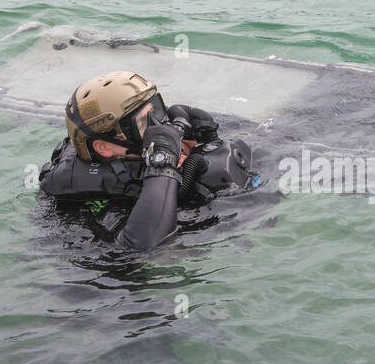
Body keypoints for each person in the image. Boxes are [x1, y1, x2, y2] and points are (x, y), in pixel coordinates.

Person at [37, 71, 260, 251]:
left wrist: (206, 133)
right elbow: (143, 245)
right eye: (144, 122)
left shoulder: (144, 151)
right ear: (103, 147)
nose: (160, 126)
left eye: (158, 111)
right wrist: (163, 161)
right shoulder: (98, 205)